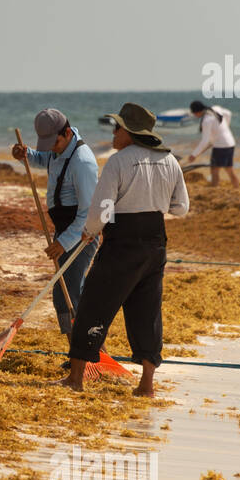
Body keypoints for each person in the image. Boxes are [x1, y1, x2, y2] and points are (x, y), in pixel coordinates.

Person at [62, 103, 188, 398]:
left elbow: (103, 208)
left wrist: (90, 231)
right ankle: (146, 384)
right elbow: (182, 207)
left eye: (116, 127)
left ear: (129, 132)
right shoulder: (170, 161)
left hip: (123, 240)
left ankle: (76, 378)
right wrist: (155, 203)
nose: (113, 132)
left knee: (95, 302)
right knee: (147, 309)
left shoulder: (119, 162)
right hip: (155, 241)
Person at [10, 108, 99, 334]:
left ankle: (86, 352)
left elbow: (89, 212)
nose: (51, 148)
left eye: (54, 142)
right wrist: (26, 155)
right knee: (65, 293)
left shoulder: (82, 161)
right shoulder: (58, 149)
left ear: (67, 132)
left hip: (82, 235)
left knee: (68, 295)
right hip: (65, 230)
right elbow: (44, 158)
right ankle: (81, 352)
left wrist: (64, 242)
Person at [182, 100, 238, 186]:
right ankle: (236, 188)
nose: (194, 115)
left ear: (197, 112)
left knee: (214, 170)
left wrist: (194, 155)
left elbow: (205, 141)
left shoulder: (206, 121)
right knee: (229, 169)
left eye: (194, 113)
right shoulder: (215, 109)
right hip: (230, 143)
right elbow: (228, 113)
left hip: (220, 146)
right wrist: (225, 127)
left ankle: (214, 189)